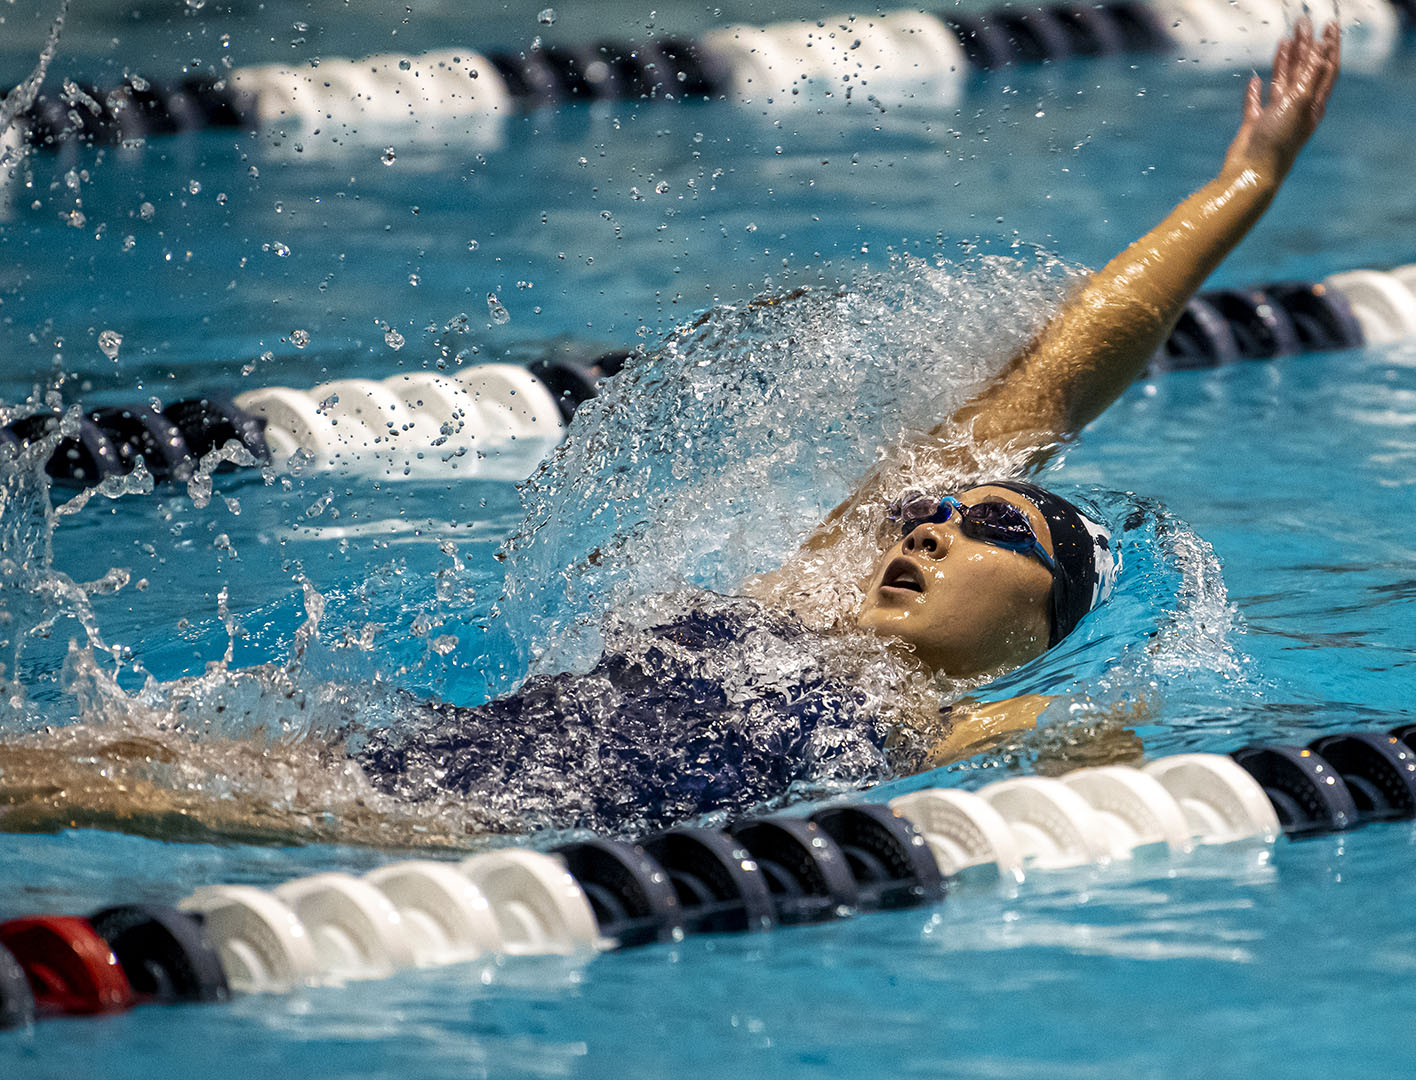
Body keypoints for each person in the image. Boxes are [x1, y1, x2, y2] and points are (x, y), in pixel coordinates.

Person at [1, 23, 1341, 844]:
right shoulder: (808, 593)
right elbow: (1037, 393)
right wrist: (1238, 182)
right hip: (391, 764)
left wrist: (1259, 178)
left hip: (453, 840)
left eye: (994, 523)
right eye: (939, 509)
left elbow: (1102, 748)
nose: (938, 519)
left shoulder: (962, 730)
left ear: (1043, 617)